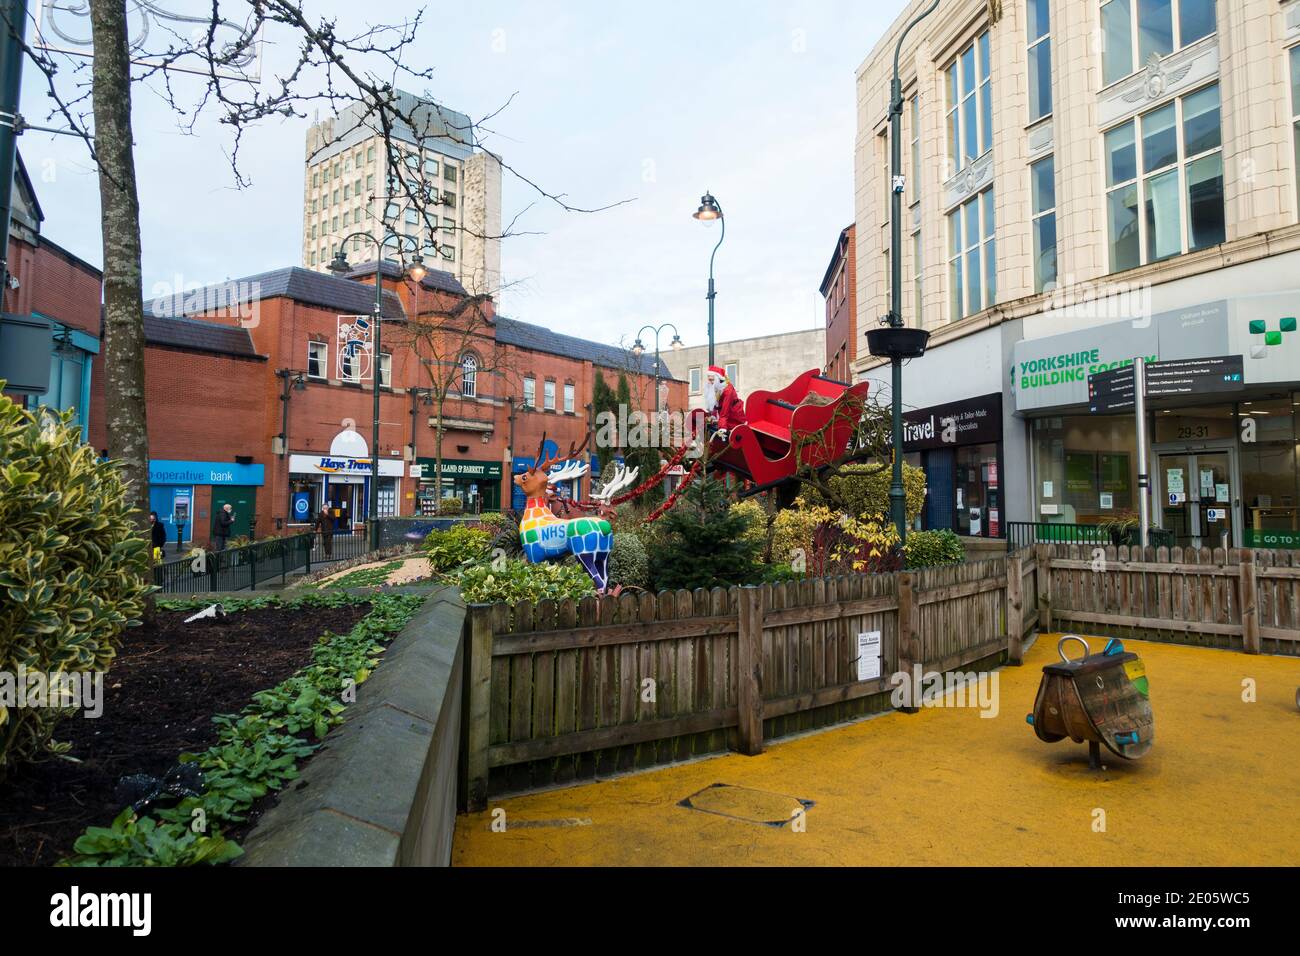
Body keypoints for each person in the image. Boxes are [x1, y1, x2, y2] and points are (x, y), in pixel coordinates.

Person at [703, 365, 747, 441]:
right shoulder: (717, 388)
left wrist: (722, 428)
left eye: (711, 380)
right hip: (726, 417)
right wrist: (713, 417)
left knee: (725, 436)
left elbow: (725, 411)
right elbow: (715, 405)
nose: (709, 382)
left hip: (734, 418)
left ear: (718, 379)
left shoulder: (727, 390)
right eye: (709, 380)